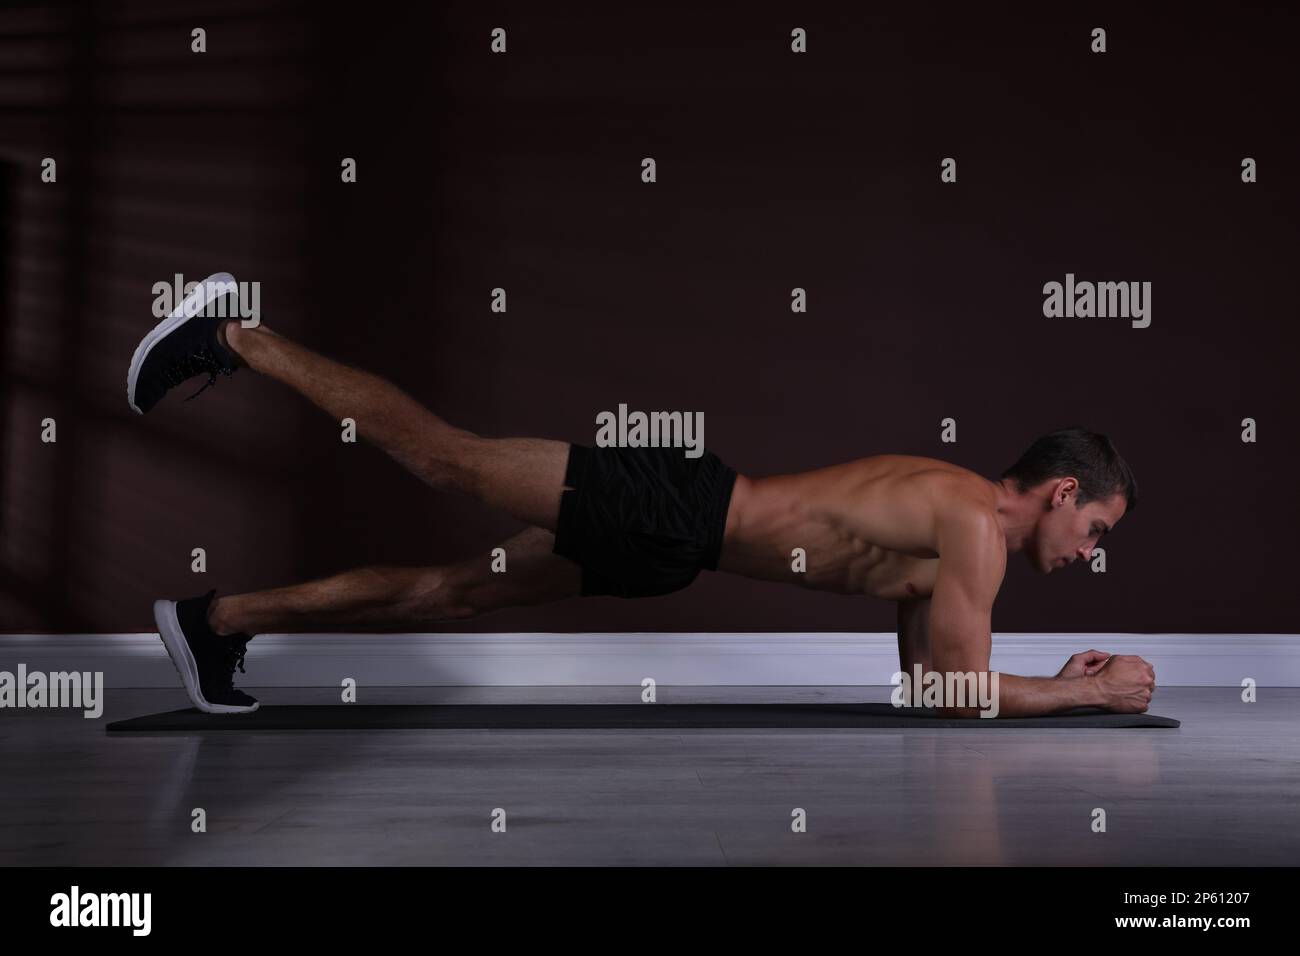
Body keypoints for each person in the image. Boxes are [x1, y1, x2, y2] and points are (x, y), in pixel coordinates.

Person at [128, 274, 1156, 717]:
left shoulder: (949, 546)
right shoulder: (971, 520)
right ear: (1061, 489)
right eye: (1095, 528)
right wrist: (1079, 690)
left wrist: (1047, 680)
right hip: (675, 502)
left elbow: (931, 692)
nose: (1089, 550)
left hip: (672, 547)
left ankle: (214, 620)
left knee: (451, 594)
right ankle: (233, 334)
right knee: (447, 457)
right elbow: (967, 696)